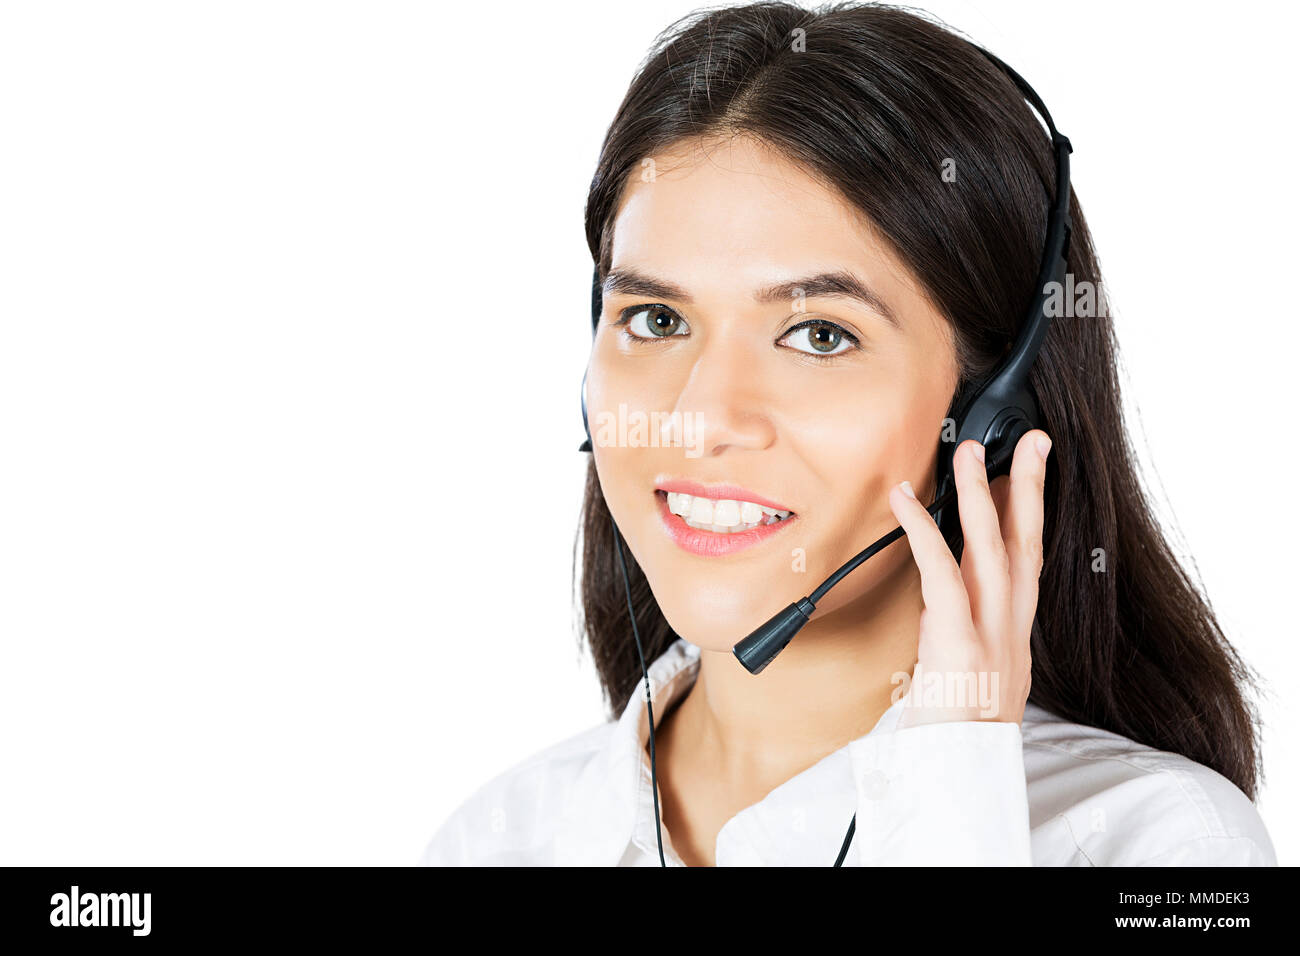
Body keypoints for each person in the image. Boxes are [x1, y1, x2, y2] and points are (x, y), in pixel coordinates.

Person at [420, 1, 1275, 866]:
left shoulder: (1164, 844)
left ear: (992, 413)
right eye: (655, 319)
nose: (700, 418)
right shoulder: (495, 840)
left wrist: (952, 795)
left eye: (819, 336)